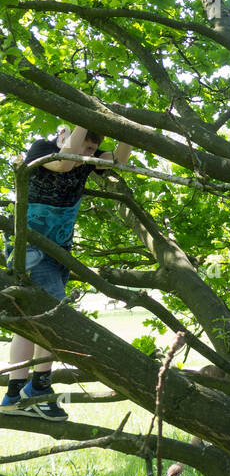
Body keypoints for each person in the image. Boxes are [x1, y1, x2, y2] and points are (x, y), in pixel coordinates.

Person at [2, 124, 132, 421]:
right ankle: (38, 392)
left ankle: (13, 395)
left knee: (30, 321)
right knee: (54, 316)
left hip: (58, 253)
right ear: (62, 136)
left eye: (91, 150)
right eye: (83, 146)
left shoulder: (86, 156)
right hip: (32, 249)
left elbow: (119, 161)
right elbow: (64, 162)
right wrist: (82, 120)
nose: (87, 155)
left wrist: (124, 127)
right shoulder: (41, 150)